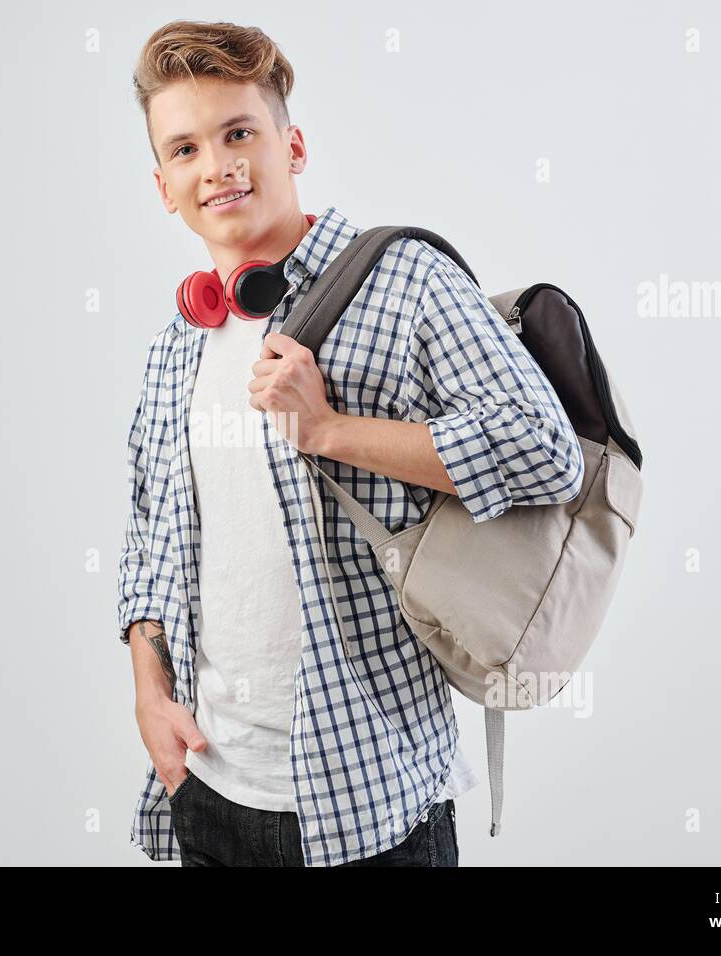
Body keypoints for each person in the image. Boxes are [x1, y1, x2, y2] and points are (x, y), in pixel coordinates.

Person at [118, 20, 585, 867]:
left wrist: (328, 431)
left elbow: (544, 450)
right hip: (211, 792)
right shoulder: (175, 347)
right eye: (184, 149)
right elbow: (150, 535)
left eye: (237, 133)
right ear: (164, 186)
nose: (216, 166)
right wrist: (149, 693)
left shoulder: (406, 284)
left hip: (372, 801)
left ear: (290, 145)